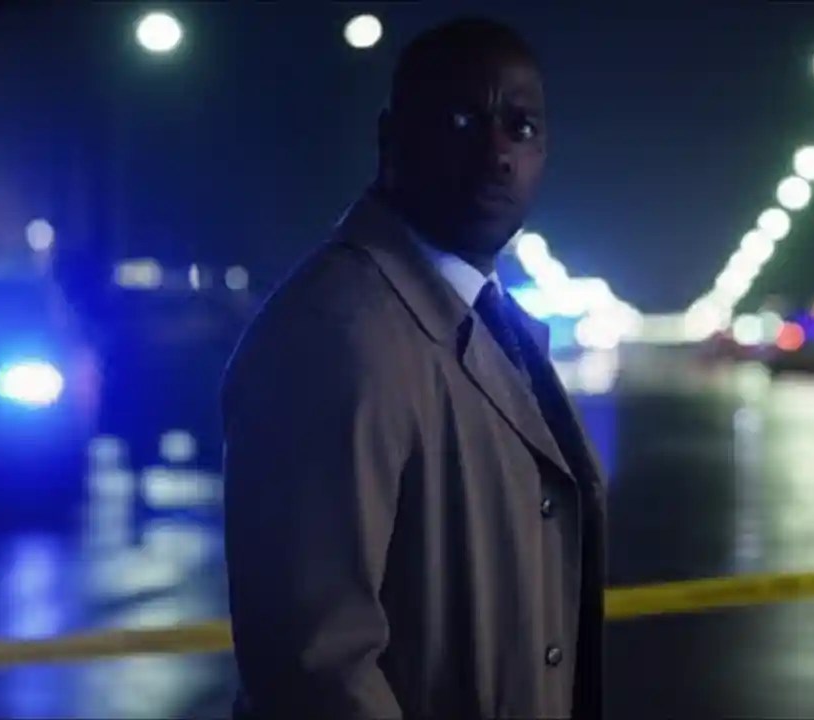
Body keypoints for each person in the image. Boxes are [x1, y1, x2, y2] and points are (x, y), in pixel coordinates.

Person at [221, 17, 606, 719]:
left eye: (520, 127)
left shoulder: (490, 321)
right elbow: (317, 671)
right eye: (462, 119)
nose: (497, 152)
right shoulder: (339, 332)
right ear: (391, 137)